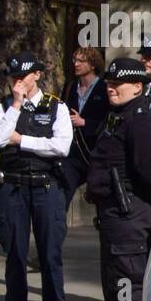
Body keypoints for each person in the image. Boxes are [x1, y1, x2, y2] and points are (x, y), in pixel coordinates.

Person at [0, 51, 72, 301]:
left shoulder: (56, 107)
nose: (18, 82)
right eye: (14, 78)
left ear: (37, 75)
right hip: (12, 187)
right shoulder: (1, 106)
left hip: (46, 186)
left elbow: (61, 146)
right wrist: (17, 106)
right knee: (15, 255)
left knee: (50, 254)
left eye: (23, 77)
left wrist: (22, 140)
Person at [84, 58, 151, 301]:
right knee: (115, 289)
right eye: (109, 83)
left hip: (128, 218)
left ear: (138, 86)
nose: (110, 88)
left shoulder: (139, 120)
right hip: (114, 217)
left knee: (128, 293)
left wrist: (135, 213)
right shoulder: (119, 116)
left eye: (117, 84)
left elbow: (148, 173)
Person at [60, 45, 110, 206]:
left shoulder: (104, 88)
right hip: (73, 153)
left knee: (101, 198)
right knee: (63, 191)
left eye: (82, 61)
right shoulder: (70, 87)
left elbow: (108, 120)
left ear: (93, 64)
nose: (76, 64)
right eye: (75, 60)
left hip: (96, 152)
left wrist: (85, 122)